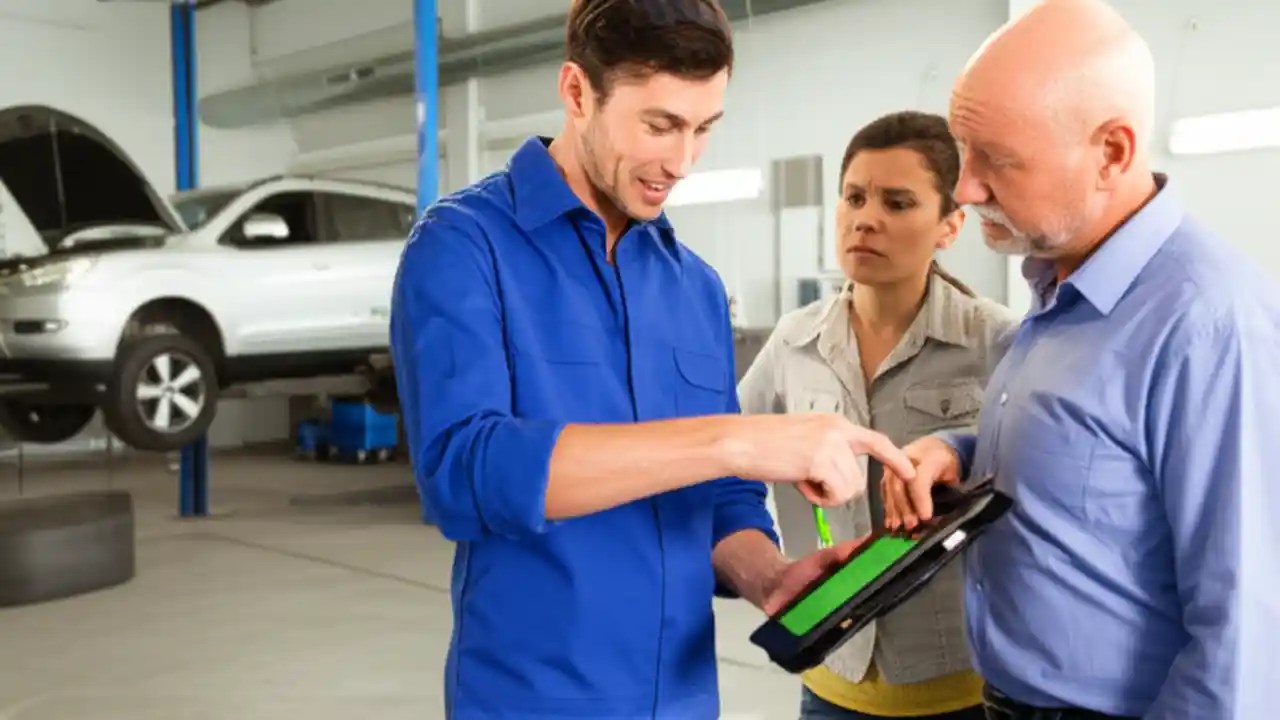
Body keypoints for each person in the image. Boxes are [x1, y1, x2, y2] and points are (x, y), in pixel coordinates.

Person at [388, 1, 916, 717]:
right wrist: (738, 441)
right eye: (660, 124)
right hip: (533, 699)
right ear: (577, 92)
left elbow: (719, 497)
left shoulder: (693, 284)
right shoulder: (462, 246)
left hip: (685, 697)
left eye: (703, 128)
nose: (683, 161)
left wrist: (769, 576)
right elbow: (465, 472)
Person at [881, 1, 1280, 718]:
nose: (966, 189)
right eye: (963, 153)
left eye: (996, 159)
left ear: (1112, 153)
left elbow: (1247, 631)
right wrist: (957, 452)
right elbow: (1100, 464)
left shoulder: (1207, 321)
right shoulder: (1059, 283)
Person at [738, 111, 1018, 720]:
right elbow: (727, 455)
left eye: (897, 202)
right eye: (854, 197)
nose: (866, 218)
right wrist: (765, 566)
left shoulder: (993, 340)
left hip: (961, 688)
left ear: (950, 225)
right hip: (832, 677)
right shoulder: (793, 344)